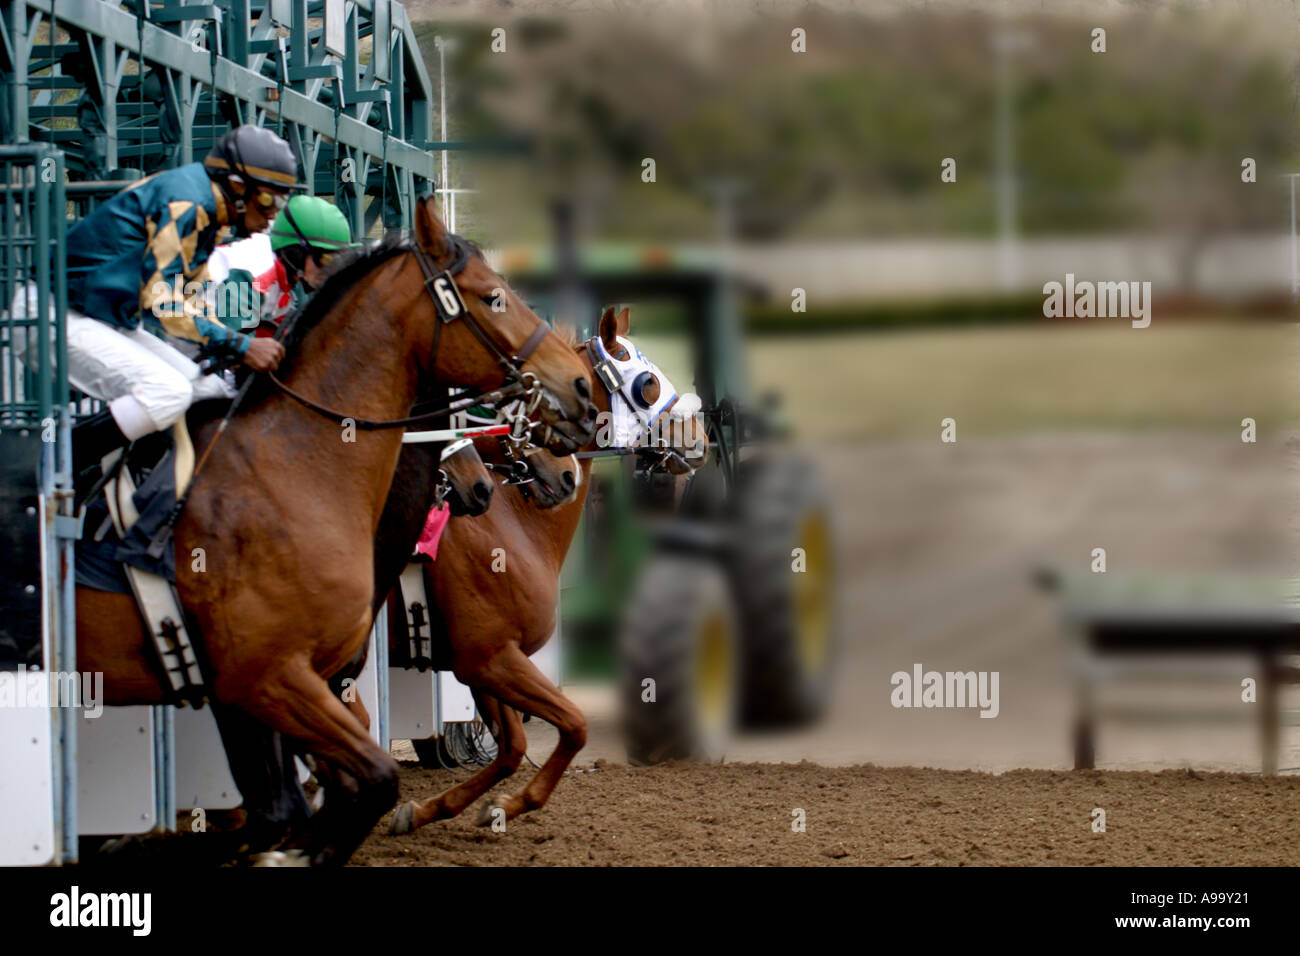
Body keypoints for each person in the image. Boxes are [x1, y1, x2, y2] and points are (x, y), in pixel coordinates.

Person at [9, 126, 301, 472]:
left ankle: (136, 487)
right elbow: (164, 304)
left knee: (209, 392)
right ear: (237, 186)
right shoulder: (187, 204)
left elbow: (191, 296)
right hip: (49, 313)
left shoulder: (211, 212)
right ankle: (45, 467)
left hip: (100, 318)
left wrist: (232, 345)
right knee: (167, 391)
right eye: (270, 200)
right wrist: (241, 346)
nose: (272, 214)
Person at [205, 195, 355, 336]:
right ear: (296, 253)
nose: (330, 272)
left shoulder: (296, 277)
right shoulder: (252, 270)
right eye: (326, 260)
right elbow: (234, 353)